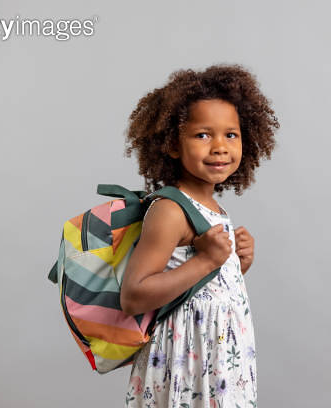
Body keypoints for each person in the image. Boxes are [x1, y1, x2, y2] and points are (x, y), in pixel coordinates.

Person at [120, 64, 279, 408]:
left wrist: (237, 266)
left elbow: (203, 292)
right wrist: (208, 259)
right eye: (203, 135)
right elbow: (133, 296)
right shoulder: (169, 210)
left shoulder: (215, 210)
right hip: (185, 362)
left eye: (231, 135)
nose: (219, 147)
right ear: (173, 144)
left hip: (222, 361)